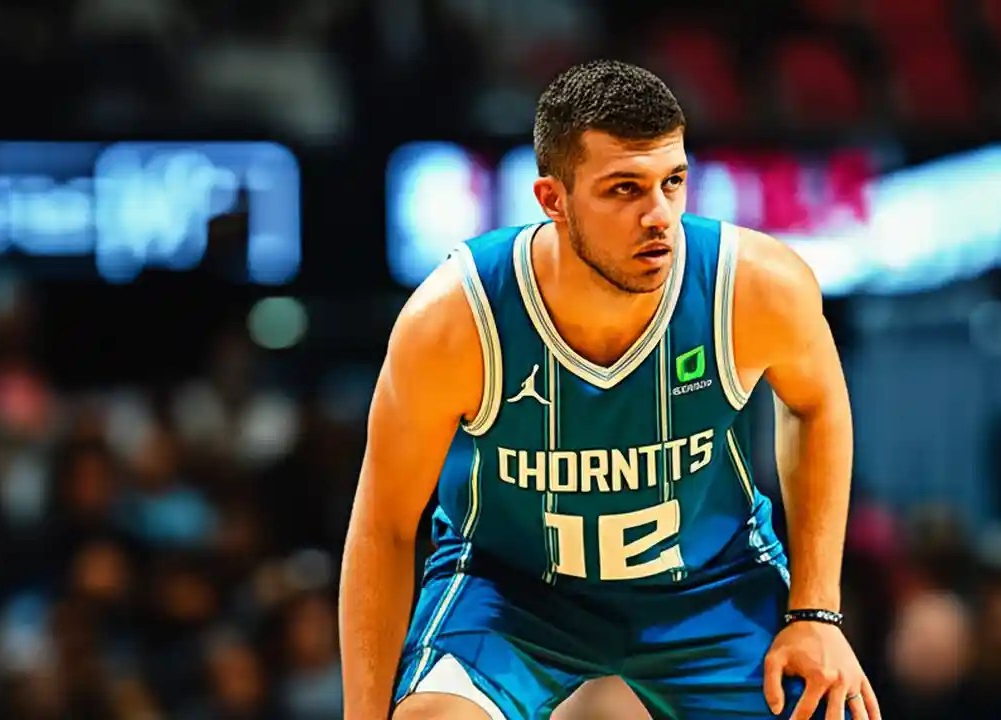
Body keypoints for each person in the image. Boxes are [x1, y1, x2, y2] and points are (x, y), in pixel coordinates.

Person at [340, 59, 879, 720]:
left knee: (825, 704)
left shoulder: (755, 286)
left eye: (672, 182)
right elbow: (385, 526)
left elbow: (816, 403)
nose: (659, 216)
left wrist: (817, 611)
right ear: (553, 200)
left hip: (711, 588)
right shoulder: (455, 319)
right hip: (512, 596)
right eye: (625, 189)